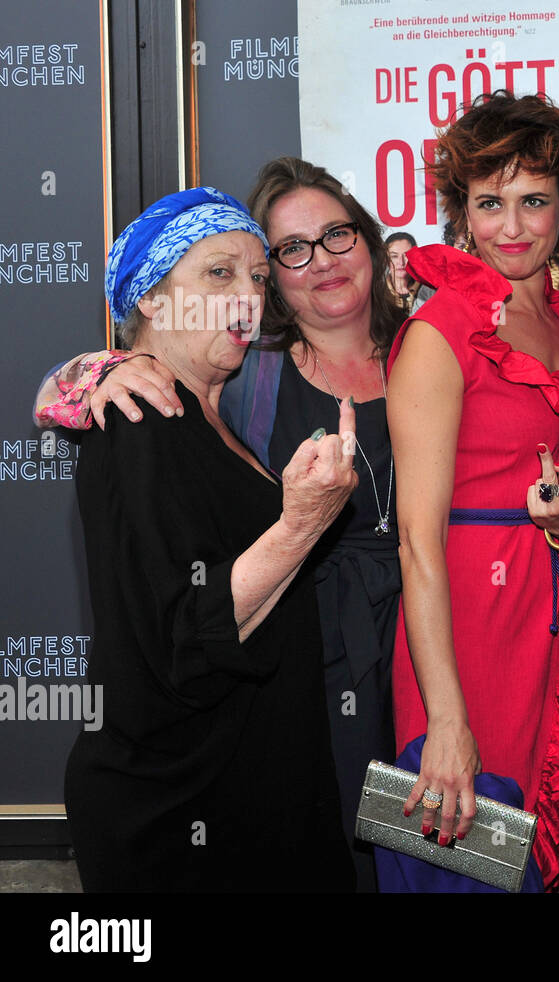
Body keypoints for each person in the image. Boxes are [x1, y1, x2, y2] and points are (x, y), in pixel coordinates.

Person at [35, 158, 406, 892]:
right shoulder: (137, 416)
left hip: (258, 789)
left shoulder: (219, 403)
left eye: (256, 278)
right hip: (181, 814)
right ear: (152, 298)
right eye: (217, 275)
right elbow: (183, 641)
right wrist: (301, 523)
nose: (247, 295)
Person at [386, 91, 559, 890]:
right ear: (462, 212)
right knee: (462, 851)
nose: (511, 227)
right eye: (490, 203)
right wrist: (446, 717)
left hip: (543, 613)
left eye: (533, 202)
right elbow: (417, 540)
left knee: (526, 857)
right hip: (465, 628)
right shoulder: (440, 330)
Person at [385, 231, 418, 314]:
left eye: (406, 256)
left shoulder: (428, 291)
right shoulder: (375, 293)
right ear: (386, 259)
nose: (401, 262)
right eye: (394, 256)